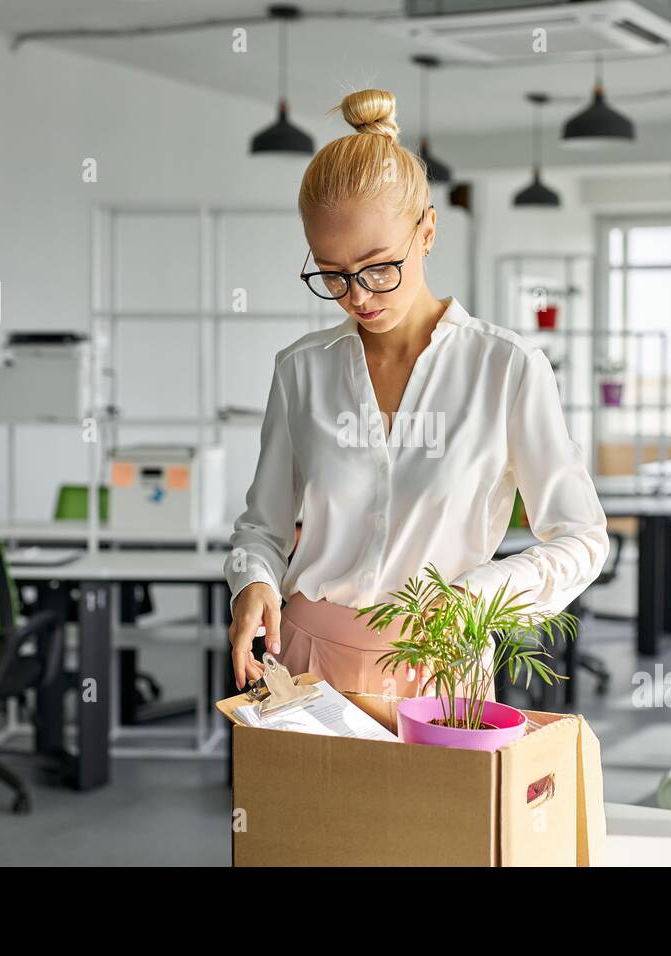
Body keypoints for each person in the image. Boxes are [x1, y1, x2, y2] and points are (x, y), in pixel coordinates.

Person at [223, 88, 609, 698]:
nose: (359, 296)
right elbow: (263, 528)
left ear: (427, 232)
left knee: (435, 801)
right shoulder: (302, 370)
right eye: (332, 274)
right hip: (301, 661)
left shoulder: (505, 368)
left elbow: (582, 538)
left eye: (379, 267)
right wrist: (254, 582)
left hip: (442, 667)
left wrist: (480, 592)